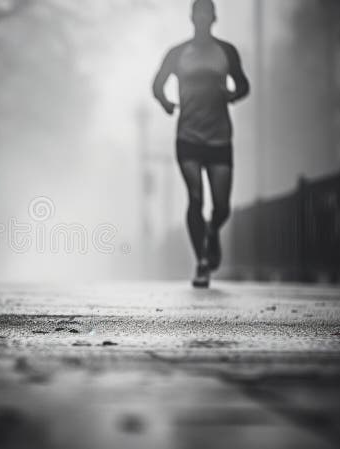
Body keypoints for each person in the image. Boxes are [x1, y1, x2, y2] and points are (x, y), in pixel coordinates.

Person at [152, 0, 250, 288]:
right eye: (198, 13)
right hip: (188, 137)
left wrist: (232, 95)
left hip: (220, 137)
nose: (203, 18)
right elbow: (157, 84)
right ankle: (202, 263)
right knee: (195, 199)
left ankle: (212, 231)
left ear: (214, 18)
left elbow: (244, 84)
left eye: (208, 13)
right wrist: (167, 103)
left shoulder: (226, 52)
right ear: (192, 18)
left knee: (222, 207)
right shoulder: (177, 53)